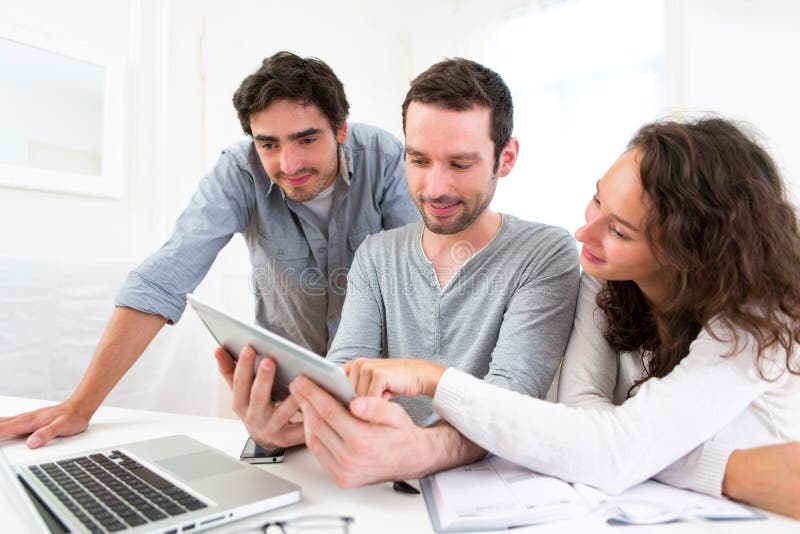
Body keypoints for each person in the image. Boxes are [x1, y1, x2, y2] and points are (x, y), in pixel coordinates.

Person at [346, 117, 800, 517]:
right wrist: (730, 469)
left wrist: (435, 380)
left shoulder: (761, 317)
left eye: (619, 230)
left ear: (689, 255)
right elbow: (584, 413)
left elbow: (610, 451)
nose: (585, 231)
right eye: (597, 200)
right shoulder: (605, 277)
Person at [0, 51, 419, 449]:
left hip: (380, 397)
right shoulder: (239, 171)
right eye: (268, 143)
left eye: (306, 139)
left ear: (340, 128)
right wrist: (80, 406)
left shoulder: (384, 159)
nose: (288, 165)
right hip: (285, 405)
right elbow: (162, 279)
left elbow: (413, 286)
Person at [216, 58, 580, 486]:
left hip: (487, 491)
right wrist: (281, 430)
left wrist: (420, 450)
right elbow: (345, 374)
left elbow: (511, 402)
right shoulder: (376, 254)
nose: (435, 188)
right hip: (379, 485)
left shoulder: (544, 252)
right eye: (419, 160)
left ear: (506, 157)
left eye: (460, 164)